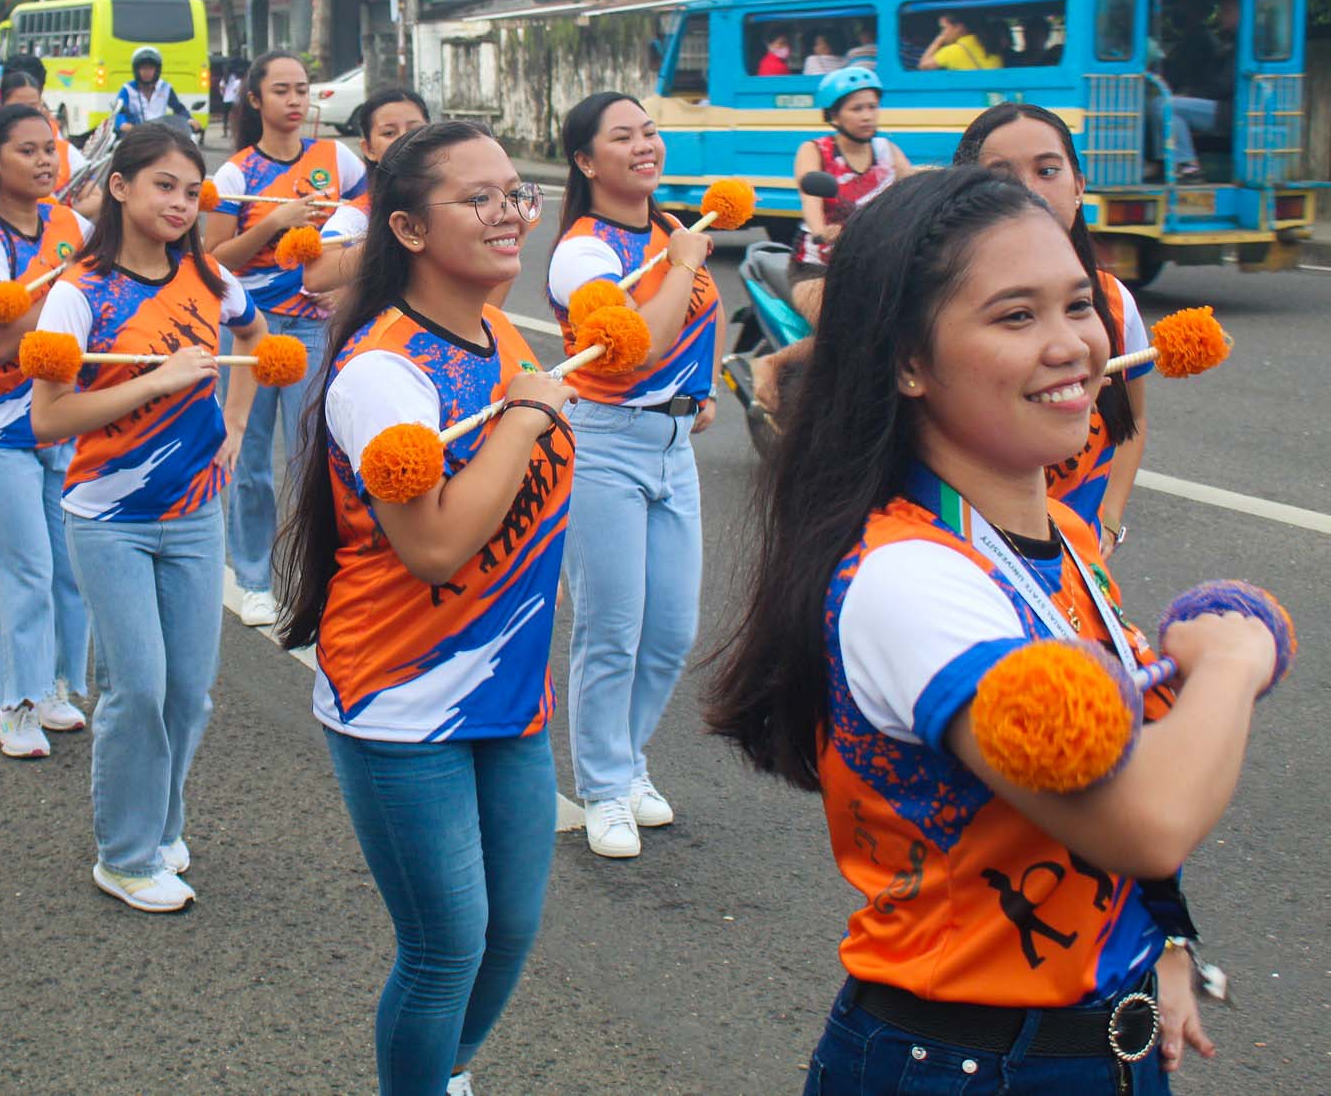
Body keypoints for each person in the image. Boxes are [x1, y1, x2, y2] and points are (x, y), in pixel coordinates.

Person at [704, 165, 1271, 1094]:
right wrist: (1234, 657)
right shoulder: (910, 577)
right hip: (969, 1066)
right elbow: (1146, 822)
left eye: (1079, 306)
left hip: (1088, 1038)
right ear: (907, 360)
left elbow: (1111, 788)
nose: (1075, 347)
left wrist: (1160, 935)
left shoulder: (1062, 537)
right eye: (1016, 317)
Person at [274, 120, 569, 1095]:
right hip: (402, 701)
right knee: (446, 946)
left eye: (513, 196)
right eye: (476, 198)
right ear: (404, 228)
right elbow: (435, 544)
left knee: (510, 932)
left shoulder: (495, 335)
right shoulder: (381, 371)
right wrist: (526, 417)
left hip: (508, 690)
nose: (506, 214)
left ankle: (439, 1075)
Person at [29, 121, 267, 913]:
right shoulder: (77, 292)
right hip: (108, 517)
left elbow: (254, 340)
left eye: (191, 189)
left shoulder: (208, 276)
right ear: (120, 186)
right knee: (137, 685)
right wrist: (156, 382)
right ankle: (124, 855)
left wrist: (233, 425)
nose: (179, 200)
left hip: (196, 514)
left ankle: (161, 826)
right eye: (162, 184)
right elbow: (50, 419)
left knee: (190, 690)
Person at [545, 92, 718, 856]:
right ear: (587, 161)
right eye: (624, 137)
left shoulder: (674, 231)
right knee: (611, 628)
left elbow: (688, 337)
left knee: (671, 630)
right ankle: (605, 785)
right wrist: (681, 266)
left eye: (650, 131)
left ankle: (629, 761)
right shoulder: (583, 252)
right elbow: (640, 342)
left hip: (672, 443)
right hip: (605, 444)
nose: (646, 145)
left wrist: (697, 396)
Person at [202, 50, 367, 627]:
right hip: (252, 335)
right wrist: (273, 223)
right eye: (282, 91)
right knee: (250, 462)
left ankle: (312, 576)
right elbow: (214, 260)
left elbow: (366, 228)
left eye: (302, 89)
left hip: (318, 331)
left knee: (316, 458)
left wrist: (342, 287)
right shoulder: (236, 174)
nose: (295, 101)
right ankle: (252, 577)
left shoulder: (339, 160)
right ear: (255, 100)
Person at [0, 103, 93, 752]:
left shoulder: (72, 224)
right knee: (23, 567)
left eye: (50, 149)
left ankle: (56, 683)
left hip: (60, 415)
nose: (43, 161)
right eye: (27, 150)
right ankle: (14, 701)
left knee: (70, 566)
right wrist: (63, 297)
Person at [956, 104, 1148, 550]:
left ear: (1078, 186)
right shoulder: (940, 313)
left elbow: (1133, 420)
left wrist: (1109, 519)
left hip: (1078, 559)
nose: (1028, 192)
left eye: (1047, 170)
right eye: (1001, 176)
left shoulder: (1117, 304)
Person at [745, 66, 913, 416]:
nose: (868, 116)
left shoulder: (886, 151)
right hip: (816, 267)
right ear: (834, 115)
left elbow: (913, 183)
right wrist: (826, 229)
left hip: (873, 264)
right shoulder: (815, 151)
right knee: (850, 328)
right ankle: (772, 363)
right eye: (856, 108)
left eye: (871, 106)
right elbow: (813, 211)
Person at [300, 87, 429, 297]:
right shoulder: (359, 213)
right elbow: (315, 276)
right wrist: (395, 238)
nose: (406, 140)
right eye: (389, 133)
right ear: (368, 149)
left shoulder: (460, 197)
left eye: (415, 129)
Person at [111, 45, 189, 131]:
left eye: (150, 68)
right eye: (143, 68)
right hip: (135, 135)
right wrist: (123, 124)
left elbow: (179, 108)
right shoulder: (128, 89)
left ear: (157, 70)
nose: (146, 72)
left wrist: (189, 120)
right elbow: (119, 112)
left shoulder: (165, 88)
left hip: (160, 135)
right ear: (137, 70)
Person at [919, 11, 1004, 70]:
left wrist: (937, 41)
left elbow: (923, 66)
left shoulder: (953, 51)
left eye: (944, 28)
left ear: (959, 27)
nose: (942, 33)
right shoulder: (988, 43)